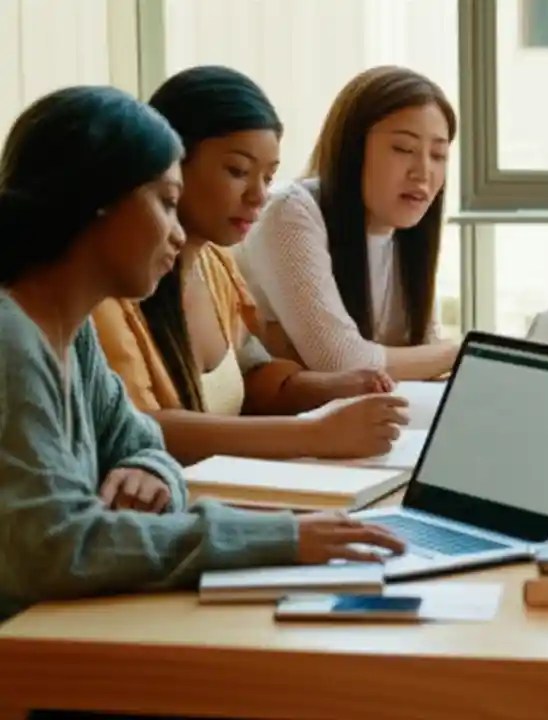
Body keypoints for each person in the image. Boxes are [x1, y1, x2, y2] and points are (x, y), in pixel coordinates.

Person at [0, 86, 405, 623]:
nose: (176, 231)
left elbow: (146, 445)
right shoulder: (12, 341)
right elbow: (57, 547)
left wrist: (148, 472)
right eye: (167, 203)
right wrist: (280, 536)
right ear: (97, 200)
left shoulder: (73, 334)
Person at [90, 66, 408, 465]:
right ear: (170, 164)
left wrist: (331, 387)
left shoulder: (216, 265)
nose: (258, 196)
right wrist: (314, 435)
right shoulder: (108, 289)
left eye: (269, 176)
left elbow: (250, 376)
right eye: (238, 171)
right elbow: (139, 428)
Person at [237, 66, 459, 380]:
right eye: (403, 149)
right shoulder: (290, 212)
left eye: (438, 155)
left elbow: (423, 348)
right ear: (352, 148)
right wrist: (459, 352)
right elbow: (341, 360)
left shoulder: (405, 231)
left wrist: (440, 357)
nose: (423, 172)